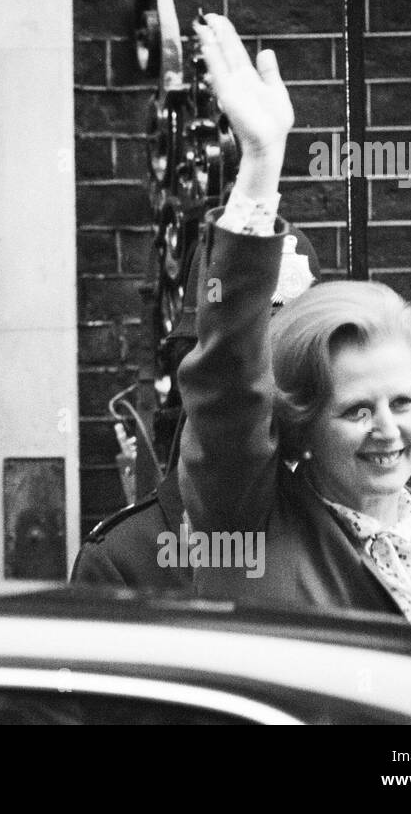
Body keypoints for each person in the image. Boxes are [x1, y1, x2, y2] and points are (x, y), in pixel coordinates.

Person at [172, 13, 411, 647]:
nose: (388, 429)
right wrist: (261, 164)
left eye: (402, 402)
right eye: (356, 410)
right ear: (302, 418)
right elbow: (226, 394)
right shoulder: (248, 532)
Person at [70, 223, 320, 591]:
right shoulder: (124, 562)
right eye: (241, 358)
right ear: (196, 369)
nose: (261, 382)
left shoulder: (346, 539)